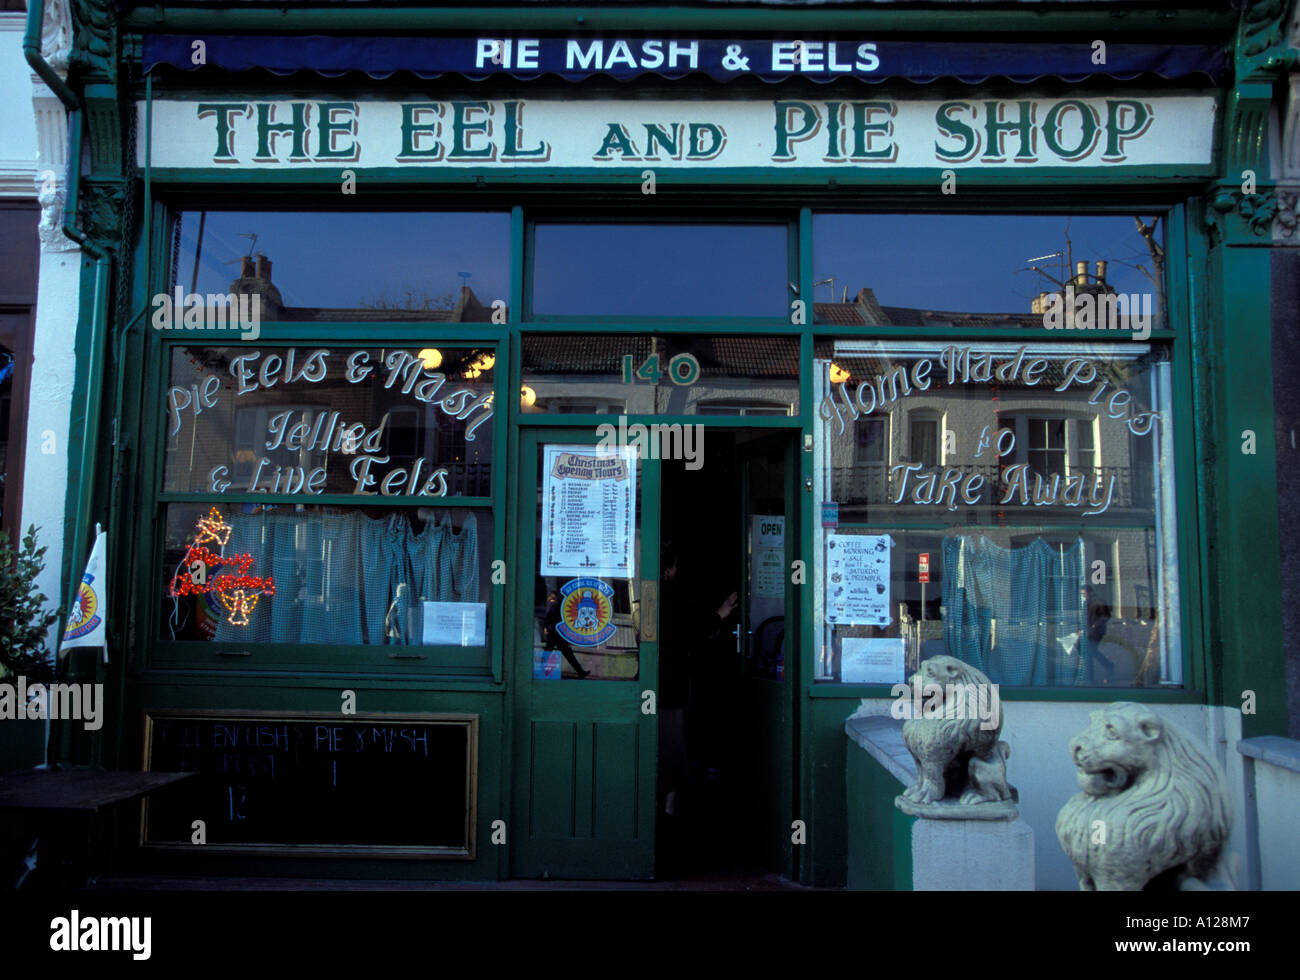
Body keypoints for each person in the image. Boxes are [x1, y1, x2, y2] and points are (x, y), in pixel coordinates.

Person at [656, 541, 738, 821]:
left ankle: (666, 801)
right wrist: (719, 616)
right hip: (670, 687)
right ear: (667, 571)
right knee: (672, 744)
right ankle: (669, 803)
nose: (677, 572)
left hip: (655, 685)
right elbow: (686, 634)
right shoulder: (669, 598)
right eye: (675, 566)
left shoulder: (650, 596)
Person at [541, 589, 590, 678]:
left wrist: (546, 626)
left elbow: (548, 616)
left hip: (553, 632)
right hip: (557, 633)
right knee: (567, 653)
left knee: (549, 652)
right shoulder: (555, 604)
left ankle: (540, 670)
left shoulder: (552, 604)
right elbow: (550, 616)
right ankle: (580, 672)